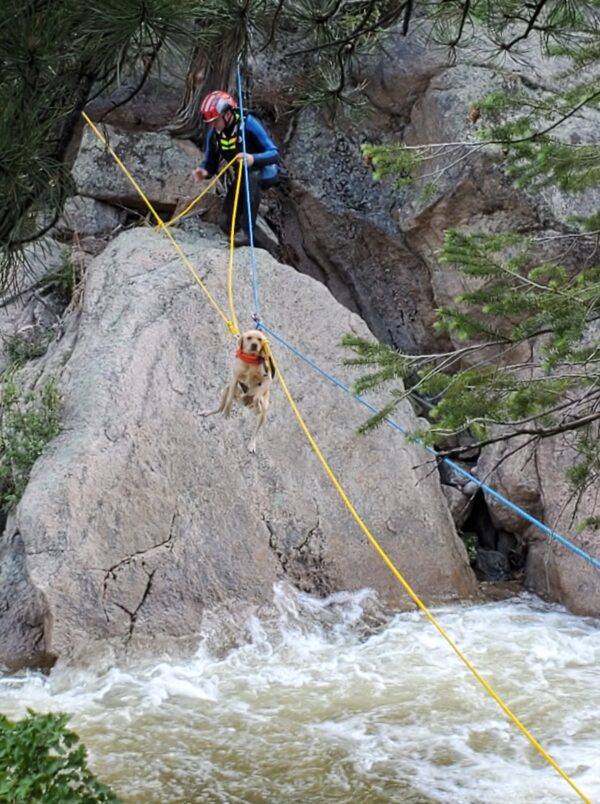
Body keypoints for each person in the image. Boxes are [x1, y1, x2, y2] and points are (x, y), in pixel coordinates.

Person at [193, 90, 280, 246]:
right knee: (226, 223)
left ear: (227, 114)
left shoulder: (249, 123)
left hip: (265, 171)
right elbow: (210, 164)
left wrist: (254, 159)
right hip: (243, 174)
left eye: (215, 120)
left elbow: (274, 153)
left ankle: (248, 233)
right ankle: (263, 242)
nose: (213, 125)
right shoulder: (214, 134)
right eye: (210, 122)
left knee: (252, 176)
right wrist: (203, 171)